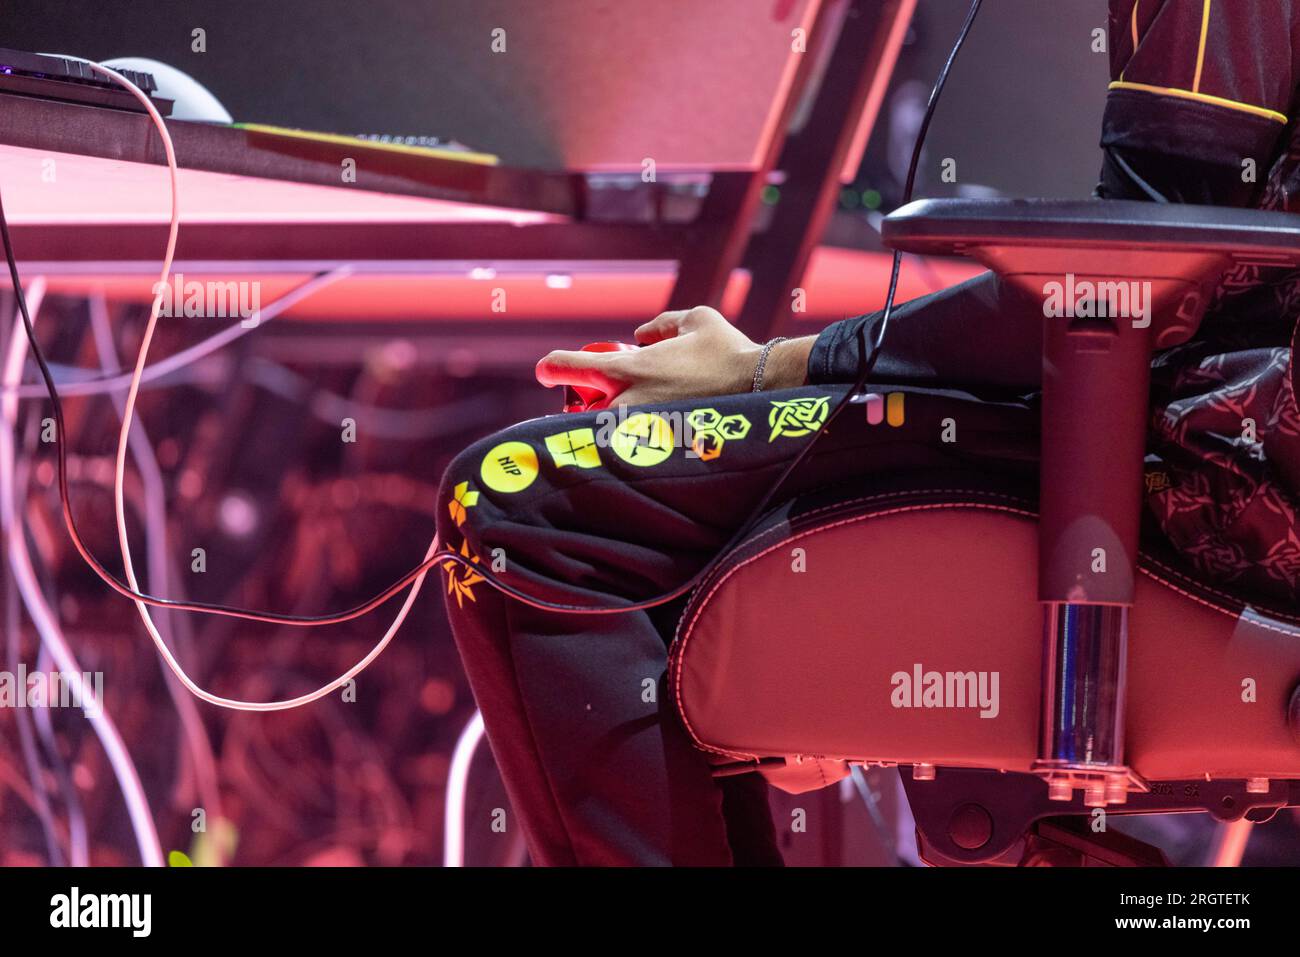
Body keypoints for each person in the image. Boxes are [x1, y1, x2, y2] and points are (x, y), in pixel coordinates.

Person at [436, 0, 1300, 865]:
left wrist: (766, 369)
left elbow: (1138, 276)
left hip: (1224, 499)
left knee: (519, 502)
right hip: (1234, 477)